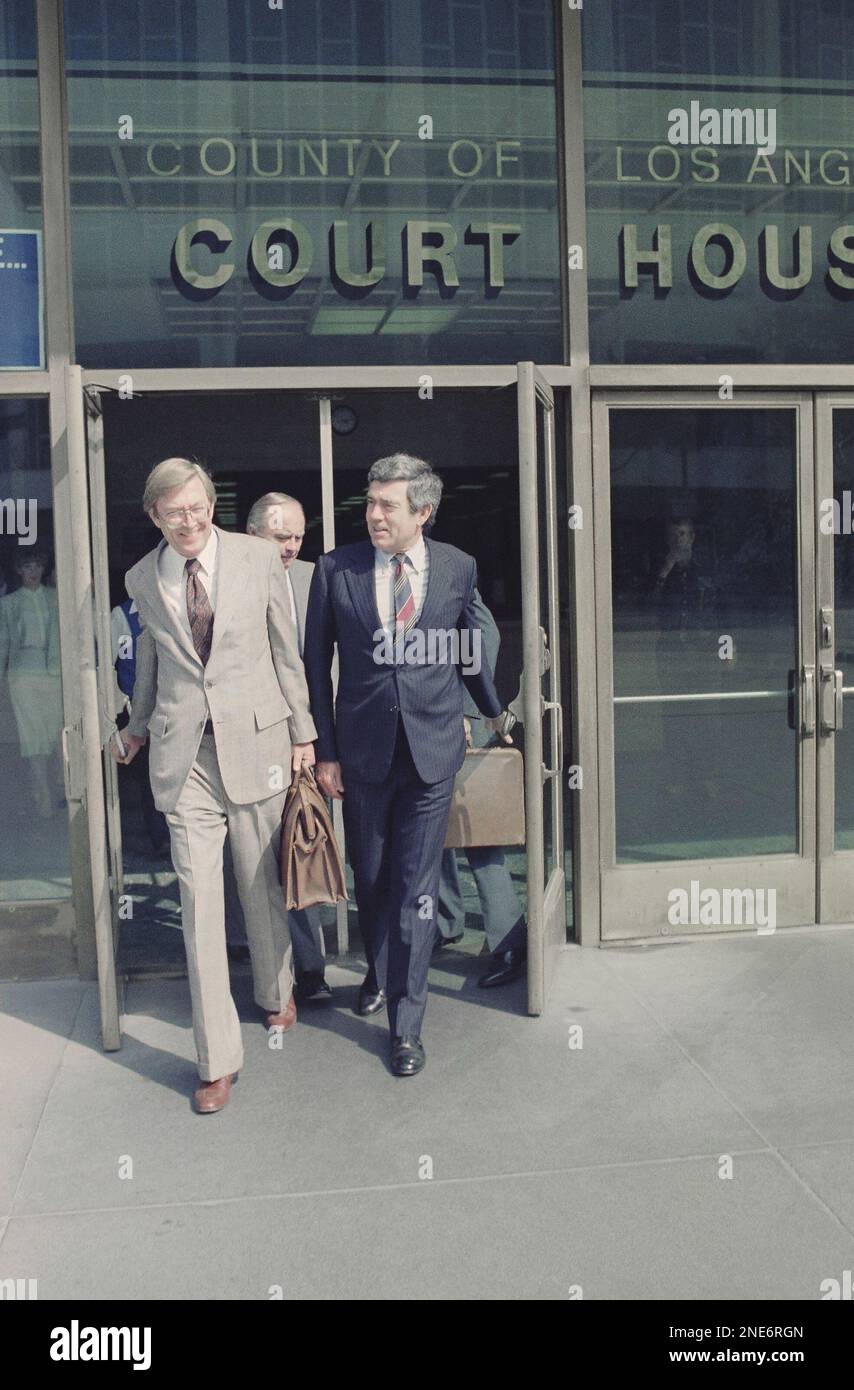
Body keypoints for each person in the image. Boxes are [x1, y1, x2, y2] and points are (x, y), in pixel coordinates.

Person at [112, 458, 317, 1114]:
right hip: (184, 756)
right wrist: (138, 725)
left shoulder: (259, 559)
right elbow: (149, 657)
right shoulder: (143, 578)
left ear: (211, 504)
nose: (190, 521)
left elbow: (286, 650)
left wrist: (305, 734)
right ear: (156, 517)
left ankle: (273, 990)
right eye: (175, 513)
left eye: (198, 508)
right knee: (200, 904)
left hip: (257, 742)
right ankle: (216, 1059)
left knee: (262, 883)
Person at [303, 453, 514, 1077]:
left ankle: (406, 1026)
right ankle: (379, 968)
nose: (372, 515)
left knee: (415, 889)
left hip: (432, 750)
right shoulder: (334, 569)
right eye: (369, 503)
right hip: (362, 754)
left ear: (423, 512)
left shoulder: (456, 566)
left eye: (386, 505)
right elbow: (316, 666)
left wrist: (495, 716)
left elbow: (470, 649)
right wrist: (326, 752)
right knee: (371, 880)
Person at [244, 491, 331, 1002]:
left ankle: (311, 967)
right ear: (253, 533)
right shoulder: (225, 580)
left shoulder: (317, 577)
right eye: (282, 537)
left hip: (313, 741)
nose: (292, 547)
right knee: (257, 858)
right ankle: (263, 963)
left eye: (299, 536)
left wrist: (322, 737)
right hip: (253, 740)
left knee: (304, 847)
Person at [434, 589, 527, 987]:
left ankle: (509, 940)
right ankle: (445, 921)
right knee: (430, 830)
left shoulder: (450, 572)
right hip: (415, 726)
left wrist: (466, 712)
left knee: (478, 836)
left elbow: (485, 634)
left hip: (459, 724)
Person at [0, 548, 63, 819]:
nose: (33, 571)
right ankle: (43, 797)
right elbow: (3, 643)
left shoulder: (55, 597)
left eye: (37, 565)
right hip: (22, 674)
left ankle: (61, 789)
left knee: (57, 733)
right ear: (18, 570)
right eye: (27, 567)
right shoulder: (9, 603)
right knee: (32, 737)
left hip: (55, 673)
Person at [111, 595, 170, 855]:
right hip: (138, 710)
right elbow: (108, 662)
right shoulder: (121, 616)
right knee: (150, 776)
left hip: (172, 707)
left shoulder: (170, 606)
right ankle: (160, 838)